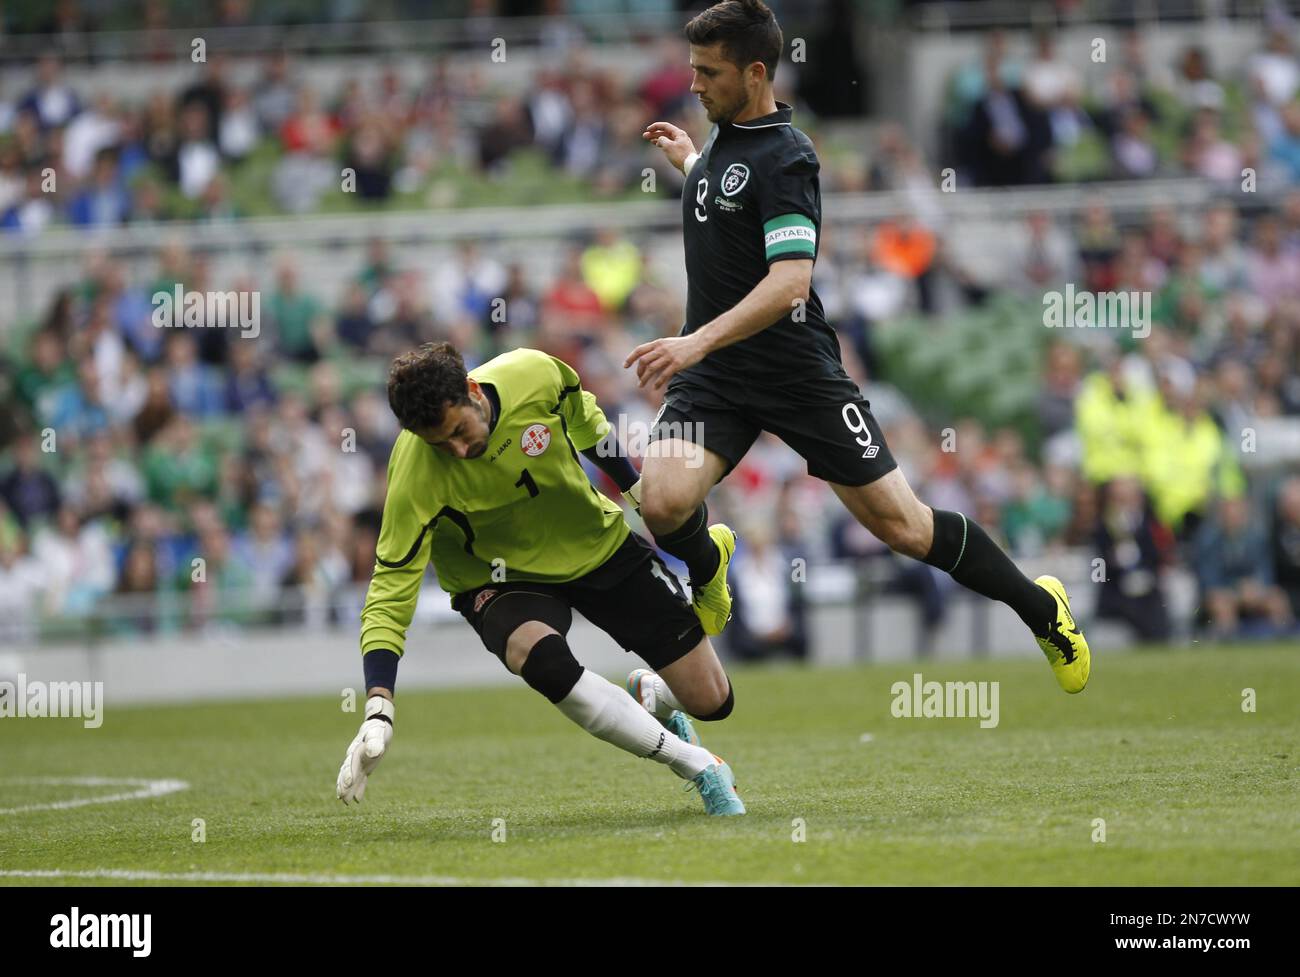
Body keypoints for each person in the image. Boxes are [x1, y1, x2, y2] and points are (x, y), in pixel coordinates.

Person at [633, 0, 1089, 693]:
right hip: (721, 378)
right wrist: (691, 162)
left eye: (708, 72)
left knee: (905, 528)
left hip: (796, 375)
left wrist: (694, 341)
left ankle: (1042, 607)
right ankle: (710, 567)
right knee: (661, 500)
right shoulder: (722, 134)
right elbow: (730, 205)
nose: (693, 85)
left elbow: (789, 283)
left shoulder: (789, 158)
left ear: (755, 73)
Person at [336, 343, 745, 815]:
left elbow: (588, 423)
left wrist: (634, 491)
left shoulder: (534, 372)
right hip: (501, 580)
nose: (458, 450)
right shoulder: (414, 474)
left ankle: (653, 694)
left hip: (594, 543)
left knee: (713, 701)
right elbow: (389, 592)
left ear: (472, 391)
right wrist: (378, 709)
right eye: (439, 444)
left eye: (459, 432)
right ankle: (699, 766)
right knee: (539, 657)